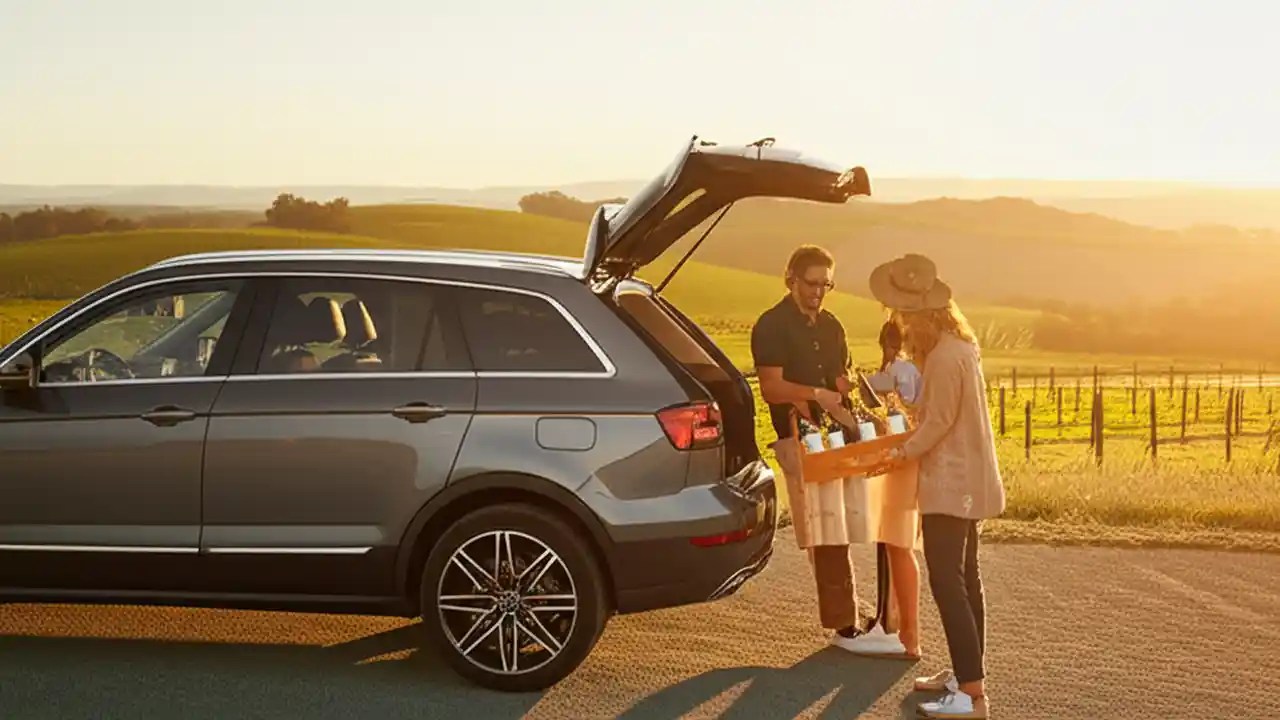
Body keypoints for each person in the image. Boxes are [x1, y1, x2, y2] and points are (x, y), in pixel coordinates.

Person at [750, 244, 915, 658]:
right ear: (790, 278)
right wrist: (817, 395)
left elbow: (840, 378)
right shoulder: (770, 325)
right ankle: (845, 623)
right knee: (827, 530)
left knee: (876, 515)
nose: (819, 291)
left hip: (842, 434)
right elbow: (771, 386)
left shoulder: (833, 326)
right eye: (812, 283)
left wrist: (852, 393)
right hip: (800, 437)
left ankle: (888, 619)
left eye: (826, 284)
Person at [870, 254, 1006, 720]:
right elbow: (938, 411)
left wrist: (900, 451)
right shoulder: (958, 347)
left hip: (952, 483)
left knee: (949, 583)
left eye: (903, 318)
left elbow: (940, 422)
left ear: (921, 316)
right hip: (968, 480)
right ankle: (966, 677)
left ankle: (972, 697)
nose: (900, 326)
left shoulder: (946, 357)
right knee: (966, 580)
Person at [867, 319, 923, 406]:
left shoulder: (905, 368)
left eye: (887, 347)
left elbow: (907, 400)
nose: (885, 351)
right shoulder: (891, 366)